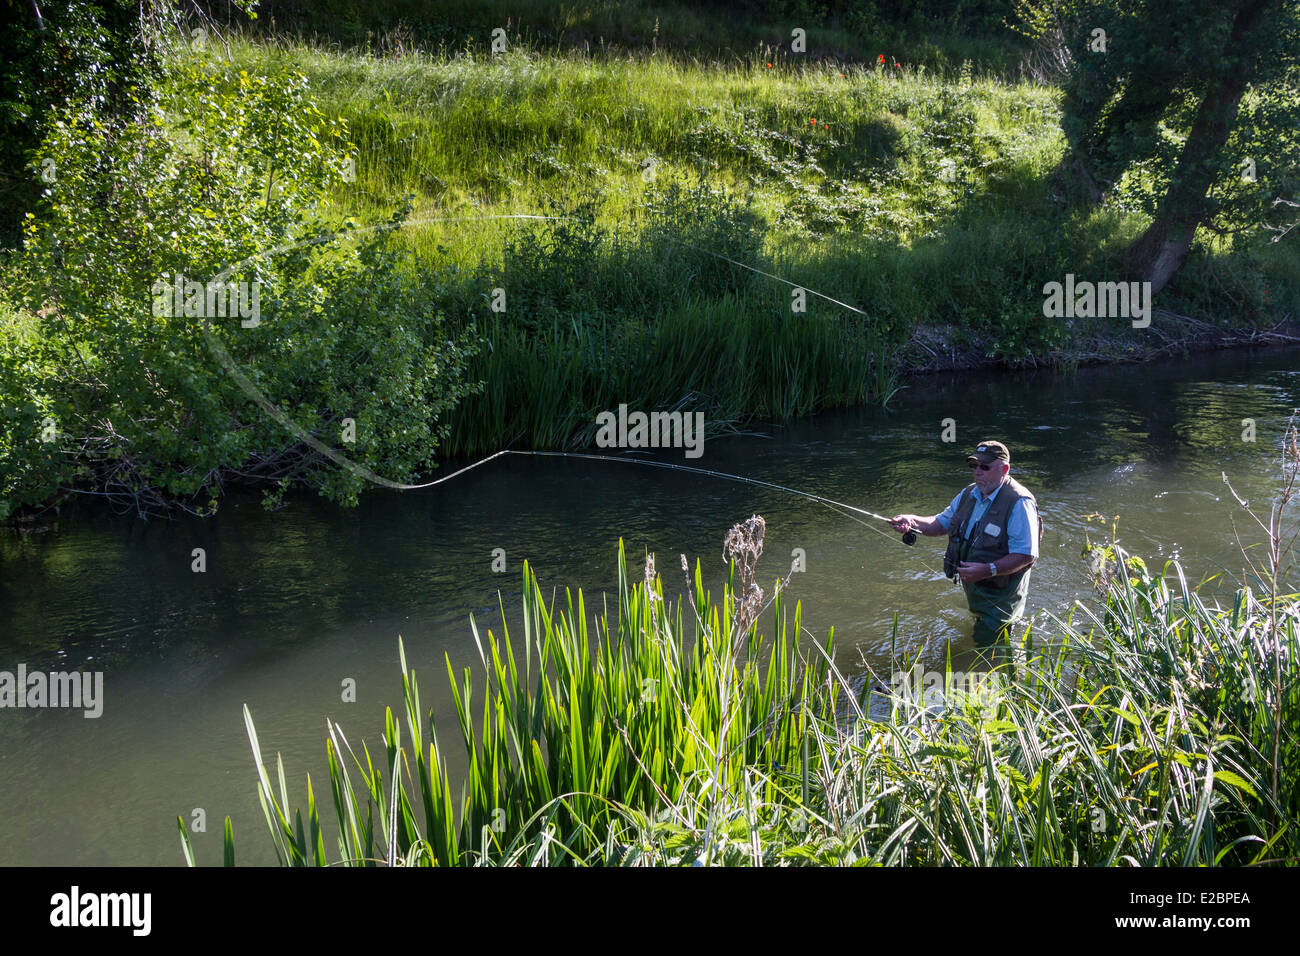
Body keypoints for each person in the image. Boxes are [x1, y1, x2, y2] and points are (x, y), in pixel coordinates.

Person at [890, 440, 1040, 667]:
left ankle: (1000, 685)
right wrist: (912, 520)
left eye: (985, 467)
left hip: (1002, 593)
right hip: (976, 583)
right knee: (981, 634)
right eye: (974, 466)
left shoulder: (1019, 502)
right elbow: (939, 524)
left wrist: (988, 569)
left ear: (1005, 469)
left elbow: (1027, 555)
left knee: (989, 648)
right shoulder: (969, 493)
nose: (978, 472)